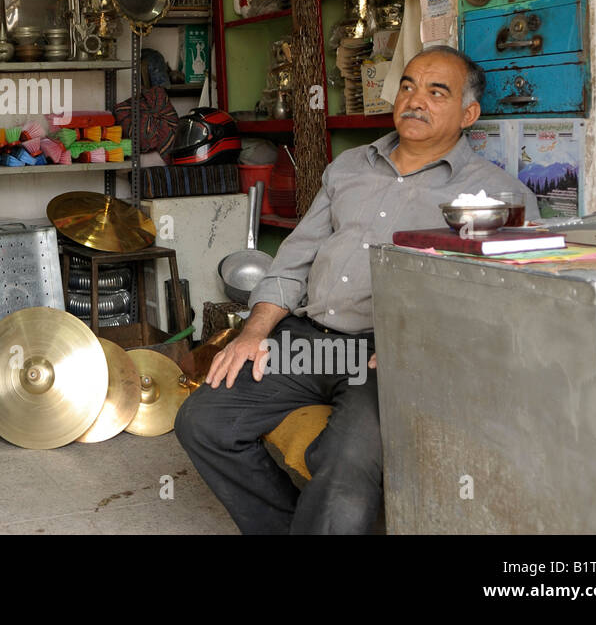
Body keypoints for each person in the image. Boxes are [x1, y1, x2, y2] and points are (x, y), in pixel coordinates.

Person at [174, 47, 539, 534]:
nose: (415, 100)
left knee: (348, 464)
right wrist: (253, 331)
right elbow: (296, 256)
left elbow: (504, 302)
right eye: (408, 85)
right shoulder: (348, 168)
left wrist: (418, 345)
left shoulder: (497, 196)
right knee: (203, 421)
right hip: (308, 339)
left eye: (437, 92)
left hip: (384, 353)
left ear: (468, 114)